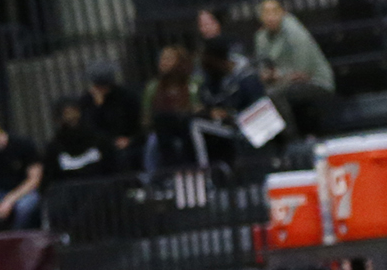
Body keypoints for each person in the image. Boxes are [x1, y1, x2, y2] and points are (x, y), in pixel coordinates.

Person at [252, 0, 334, 138]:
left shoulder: (294, 31)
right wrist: (270, 75)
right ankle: (267, 144)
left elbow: (303, 72)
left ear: (283, 12)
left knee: (276, 95)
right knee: (256, 95)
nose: (271, 17)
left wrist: (276, 75)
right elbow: (262, 67)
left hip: (316, 81)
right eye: (266, 13)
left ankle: (292, 139)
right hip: (281, 83)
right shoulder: (261, 37)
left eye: (275, 11)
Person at [192, 38, 269, 166]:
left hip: (248, 131)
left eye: (206, 60)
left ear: (218, 60)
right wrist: (208, 111)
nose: (203, 65)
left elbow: (261, 117)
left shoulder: (248, 79)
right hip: (220, 129)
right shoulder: (211, 79)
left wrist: (230, 115)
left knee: (196, 126)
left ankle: (207, 175)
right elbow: (208, 102)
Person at [142, 44, 199, 172]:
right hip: (163, 130)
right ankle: (154, 178)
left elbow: (197, 107)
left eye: (169, 59)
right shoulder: (153, 87)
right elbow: (146, 116)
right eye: (162, 59)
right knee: (153, 142)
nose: (164, 63)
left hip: (188, 127)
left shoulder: (192, 83)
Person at [78, 61, 141, 170]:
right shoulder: (87, 100)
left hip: (124, 141)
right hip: (98, 143)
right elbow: (89, 127)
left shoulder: (125, 97)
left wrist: (130, 139)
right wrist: (98, 107)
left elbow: (131, 123)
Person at [46, 99, 113, 182]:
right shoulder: (54, 149)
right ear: (59, 119)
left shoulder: (100, 140)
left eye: (75, 112)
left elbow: (114, 170)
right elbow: (51, 180)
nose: (71, 117)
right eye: (66, 113)